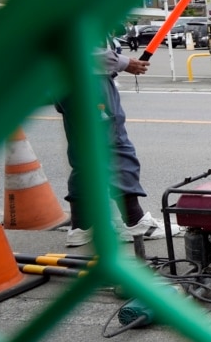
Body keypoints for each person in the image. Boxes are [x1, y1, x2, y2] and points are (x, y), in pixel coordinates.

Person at [56, 34, 164, 247]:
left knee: (83, 154)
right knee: (115, 148)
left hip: (64, 82)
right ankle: (135, 222)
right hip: (89, 83)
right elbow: (77, 44)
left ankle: (81, 227)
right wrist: (123, 62)